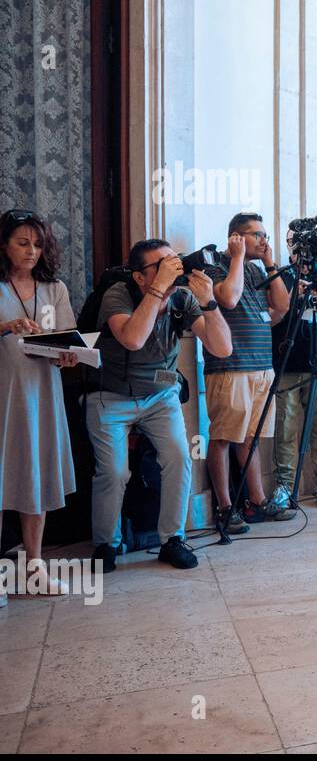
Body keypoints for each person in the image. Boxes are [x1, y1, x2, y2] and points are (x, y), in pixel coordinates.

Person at [90, 238, 233, 571]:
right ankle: (106, 544)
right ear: (140, 277)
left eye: (175, 261)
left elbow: (222, 348)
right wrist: (158, 291)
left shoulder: (183, 299)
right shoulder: (119, 294)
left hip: (160, 395)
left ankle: (172, 538)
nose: (174, 269)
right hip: (110, 394)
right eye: (163, 265)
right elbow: (133, 338)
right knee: (113, 471)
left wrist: (209, 302)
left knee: (179, 458)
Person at [0, 210, 80, 599]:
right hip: (3, 394)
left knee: (34, 473)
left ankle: (34, 567)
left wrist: (67, 355)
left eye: (37, 243)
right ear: (4, 245)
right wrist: (8, 326)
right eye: (22, 243)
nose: (32, 251)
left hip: (41, 395)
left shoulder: (54, 289)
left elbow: (66, 338)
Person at [204, 214, 295, 532]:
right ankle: (225, 507)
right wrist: (238, 257)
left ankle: (256, 501)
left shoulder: (257, 269)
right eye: (256, 234)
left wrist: (270, 263)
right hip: (230, 368)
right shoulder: (214, 264)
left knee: (251, 439)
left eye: (265, 234)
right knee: (223, 438)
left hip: (261, 366)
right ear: (235, 237)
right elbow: (227, 297)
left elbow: (282, 307)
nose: (263, 240)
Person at [269, 268, 317, 510]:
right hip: (287, 361)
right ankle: (284, 485)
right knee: (285, 425)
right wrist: (294, 294)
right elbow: (274, 315)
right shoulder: (280, 276)